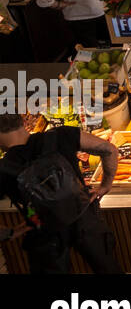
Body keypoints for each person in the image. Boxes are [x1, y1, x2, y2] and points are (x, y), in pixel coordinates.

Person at [0, 113, 123, 273]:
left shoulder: (4, 168)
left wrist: (11, 232)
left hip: (43, 231)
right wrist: (105, 185)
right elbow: (109, 150)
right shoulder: (60, 135)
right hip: (84, 218)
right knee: (108, 269)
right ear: (23, 121)